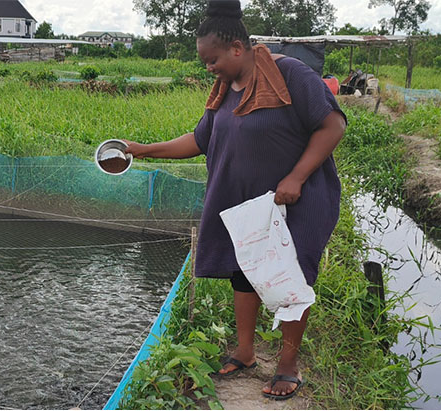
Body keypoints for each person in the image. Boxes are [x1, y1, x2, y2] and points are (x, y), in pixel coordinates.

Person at [123, 0, 347, 401]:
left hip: (295, 200)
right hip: (248, 206)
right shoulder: (226, 88)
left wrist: (296, 177)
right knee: (244, 273)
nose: (209, 68)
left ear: (238, 49)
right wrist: (142, 149)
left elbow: (333, 125)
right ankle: (245, 353)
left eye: (212, 60)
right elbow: (199, 140)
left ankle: (288, 366)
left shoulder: (290, 74)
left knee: (291, 280)